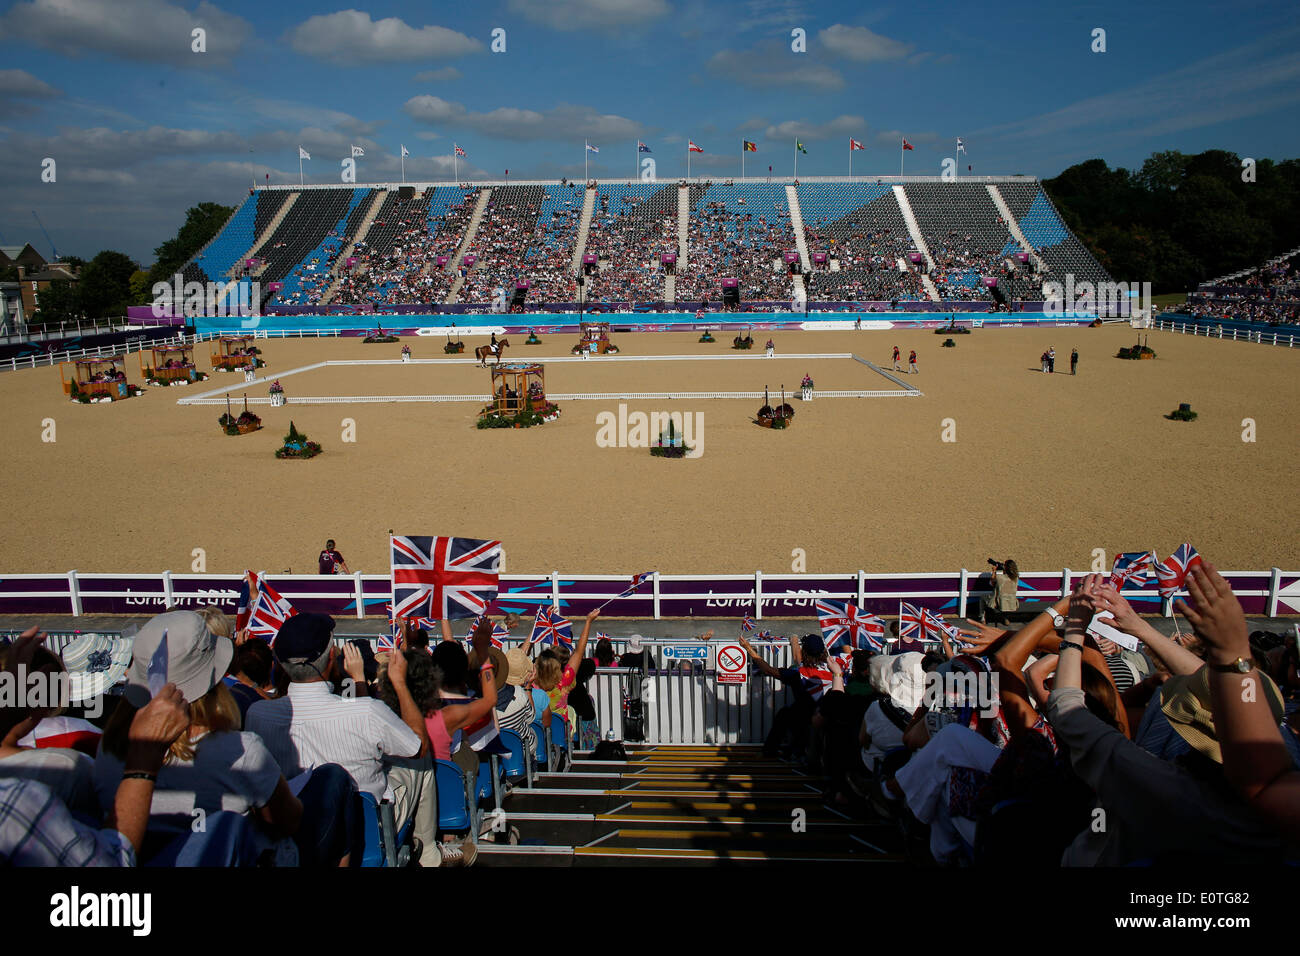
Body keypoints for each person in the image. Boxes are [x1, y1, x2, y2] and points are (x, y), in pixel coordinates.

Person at [93, 611, 304, 866]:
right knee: (330, 783)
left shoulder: (107, 748)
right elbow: (288, 821)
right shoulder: (241, 750)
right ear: (214, 678)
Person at [245, 613, 436, 867]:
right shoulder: (366, 712)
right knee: (419, 762)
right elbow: (418, 746)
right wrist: (400, 684)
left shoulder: (257, 714)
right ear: (331, 658)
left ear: (278, 662)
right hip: (368, 828)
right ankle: (429, 853)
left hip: (288, 835)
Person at [980, 558, 1020, 624]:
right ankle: (1005, 619)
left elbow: (991, 583)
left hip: (998, 603)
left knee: (982, 598)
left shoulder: (1000, 577)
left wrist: (994, 571)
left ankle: (982, 618)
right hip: (1011, 603)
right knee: (1005, 605)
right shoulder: (1016, 578)